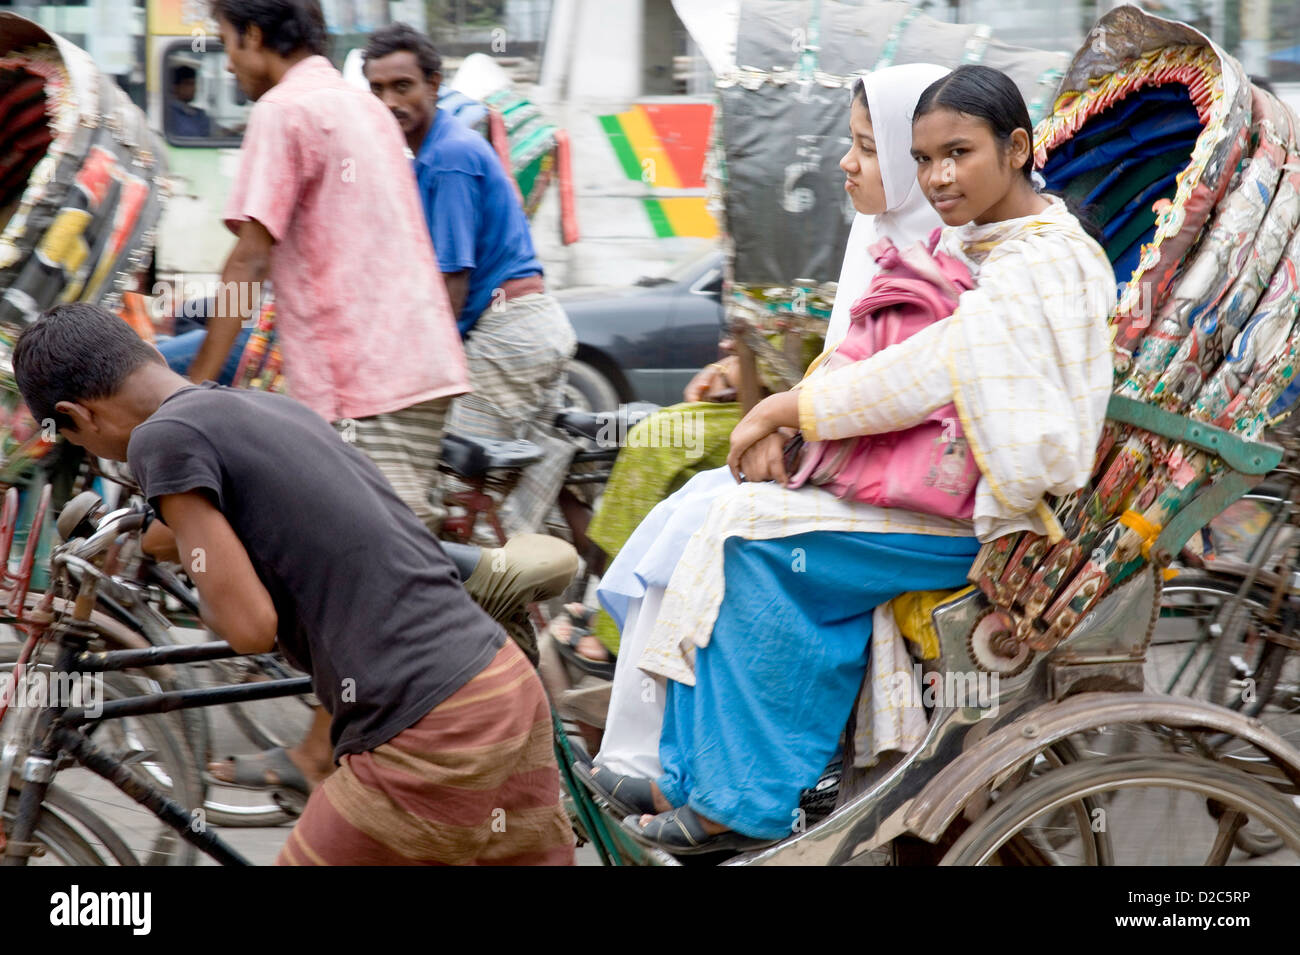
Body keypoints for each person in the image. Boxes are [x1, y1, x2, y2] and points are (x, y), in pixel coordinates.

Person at [602, 65, 1117, 853]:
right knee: (730, 515)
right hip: (955, 497)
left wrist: (786, 409)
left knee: (746, 537)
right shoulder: (1005, 242)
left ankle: (738, 800)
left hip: (998, 521)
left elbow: (923, 373)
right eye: (924, 158)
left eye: (959, 153)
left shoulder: (1035, 262)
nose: (939, 177)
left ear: (1017, 148)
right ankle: (696, 778)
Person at [13, 303, 576, 865]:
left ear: (77, 415)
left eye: (83, 445)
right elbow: (222, 519)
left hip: (431, 726)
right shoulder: (258, 406)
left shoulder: (158, 442)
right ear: (153, 355)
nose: (99, 455)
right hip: (500, 684)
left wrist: (212, 585)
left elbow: (250, 629)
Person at [589, 62, 951, 784]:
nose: (847, 163)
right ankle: (640, 748)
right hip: (841, 455)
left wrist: (787, 427)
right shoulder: (880, 239)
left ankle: (702, 771)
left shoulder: (948, 253)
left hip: (895, 486)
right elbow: (847, 372)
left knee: (717, 525)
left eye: (868, 148)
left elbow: (894, 392)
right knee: (682, 509)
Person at [362, 23, 578, 539]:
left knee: (460, 498)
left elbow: (449, 289)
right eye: (377, 90)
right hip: (528, 332)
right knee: (520, 508)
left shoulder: (447, 157)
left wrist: (403, 372)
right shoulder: (431, 153)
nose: (390, 101)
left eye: (403, 86)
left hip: (508, 336)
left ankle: (471, 616)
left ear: (434, 85)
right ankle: (557, 612)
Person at [167, 64, 212, 138]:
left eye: (194, 84)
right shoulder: (170, 113)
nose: (194, 88)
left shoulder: (197, 113)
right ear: (175, 87)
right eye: (189, 84)